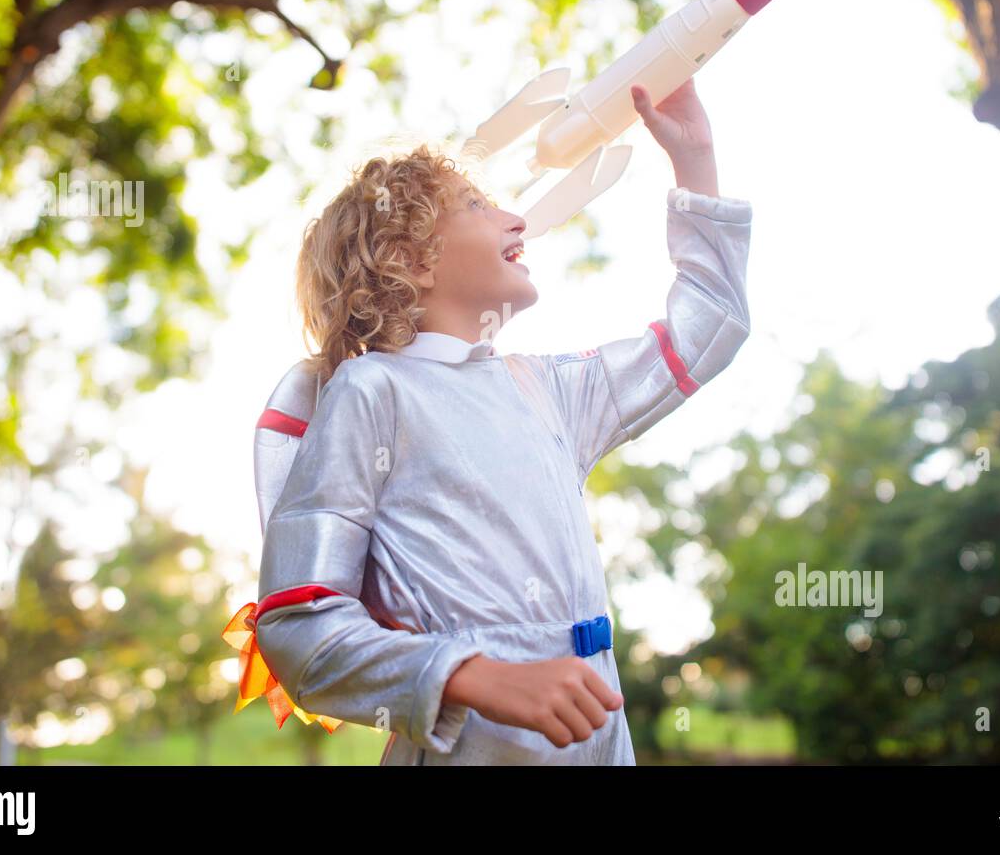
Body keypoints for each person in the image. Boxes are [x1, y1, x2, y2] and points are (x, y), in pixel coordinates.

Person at [253, 79, 752, 764]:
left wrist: (696, 163)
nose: (515, 219)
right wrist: (473, 677)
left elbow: (710, 330)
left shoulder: (546, 389)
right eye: (476, 206)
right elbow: (298, 624)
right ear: (407, 259)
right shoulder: (374, 390)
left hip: (601, 742)